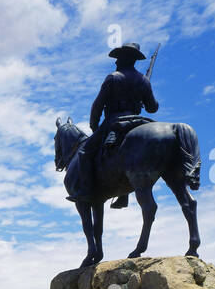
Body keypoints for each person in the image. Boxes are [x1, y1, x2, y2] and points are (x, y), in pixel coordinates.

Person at [66, 42, 159, 203]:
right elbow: (152, 108)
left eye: (118, 58)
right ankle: (123, 196)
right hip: (139, 123)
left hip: (114, 122)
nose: (116, 62)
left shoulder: (113, 78)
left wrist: (95, 127)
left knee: (83, 153)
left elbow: (97, 106)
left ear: (124, 59)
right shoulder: (144, 81)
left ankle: (86, 191)